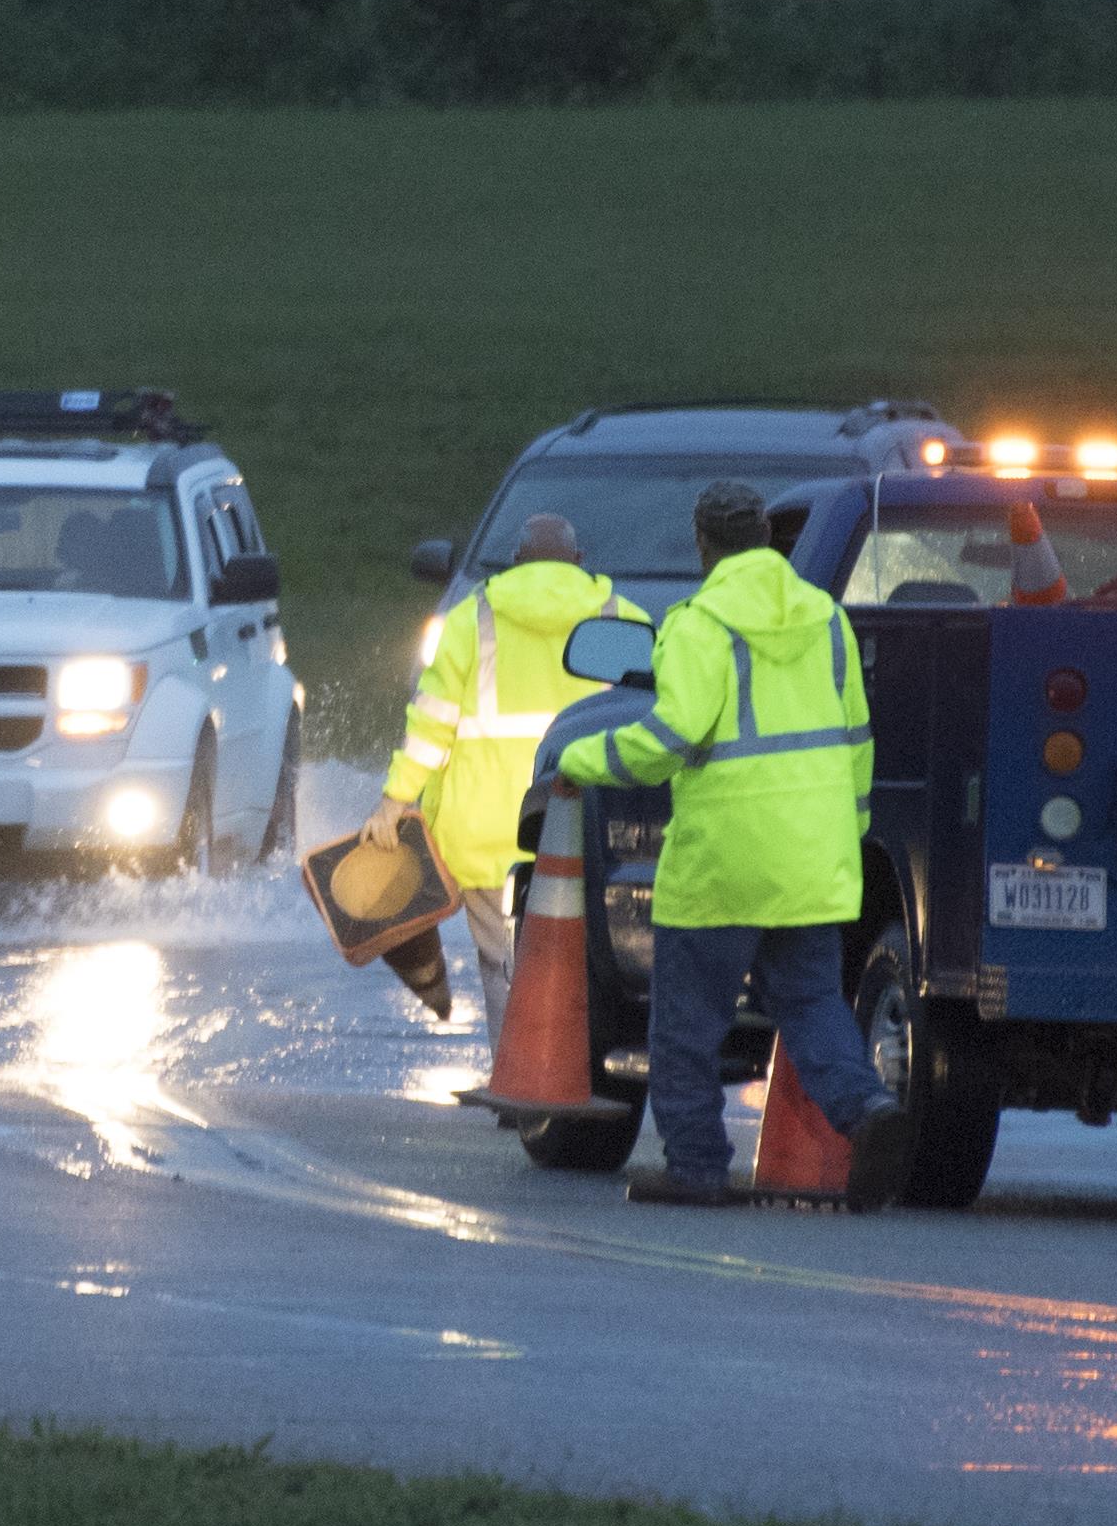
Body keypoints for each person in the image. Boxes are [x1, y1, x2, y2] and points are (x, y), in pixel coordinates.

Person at [547, 480, 908, 1209]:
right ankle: (867, 1111)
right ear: (769, 540)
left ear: (703, 543)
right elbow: (856, 737)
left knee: (685, 1023)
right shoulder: (827, 619)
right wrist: (849, 829)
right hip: (811, 856)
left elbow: (669, 737)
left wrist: (580, 760)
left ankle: (697, 1169)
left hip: (722, 861)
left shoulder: (699, 623)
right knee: (810, 1003)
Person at [377, 512, 641, 1037]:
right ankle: (573, 1072)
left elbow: (430, 725)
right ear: (580, 562)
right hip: (585, 819)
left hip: (488, 828)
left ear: (517, 563)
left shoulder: (471, 620)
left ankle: (515, 1077)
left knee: (501, 961)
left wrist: (394, 799)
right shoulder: (621, 617)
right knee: (582, 958)